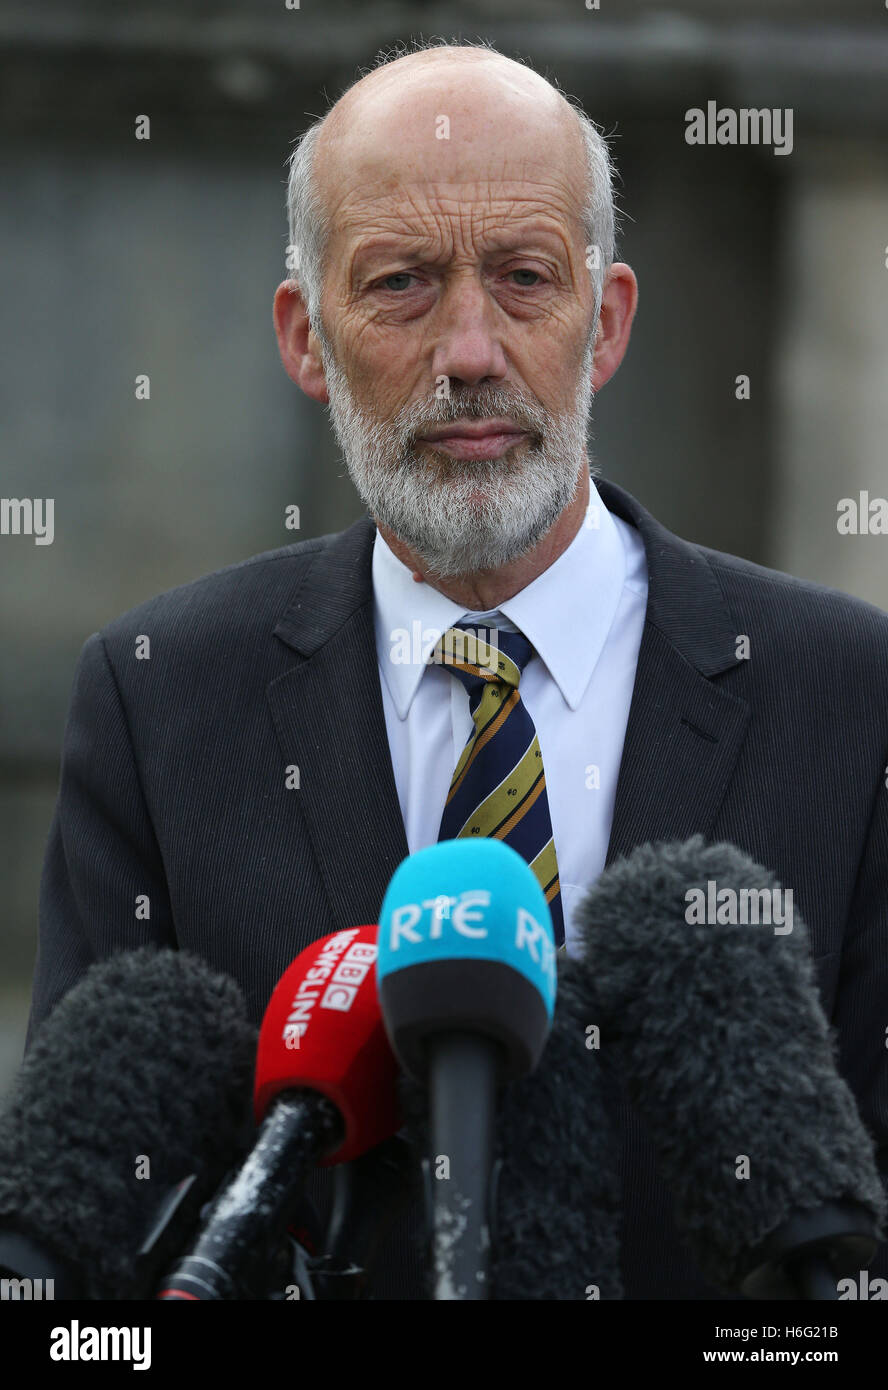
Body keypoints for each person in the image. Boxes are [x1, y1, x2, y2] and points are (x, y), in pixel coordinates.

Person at [27, 40, 888, 1297]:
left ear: (607, 323)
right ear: (307, 338)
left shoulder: (847, 699)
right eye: (403, 283)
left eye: (525, 278)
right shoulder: (163, 700)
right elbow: (89, 1233)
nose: (470, 349)